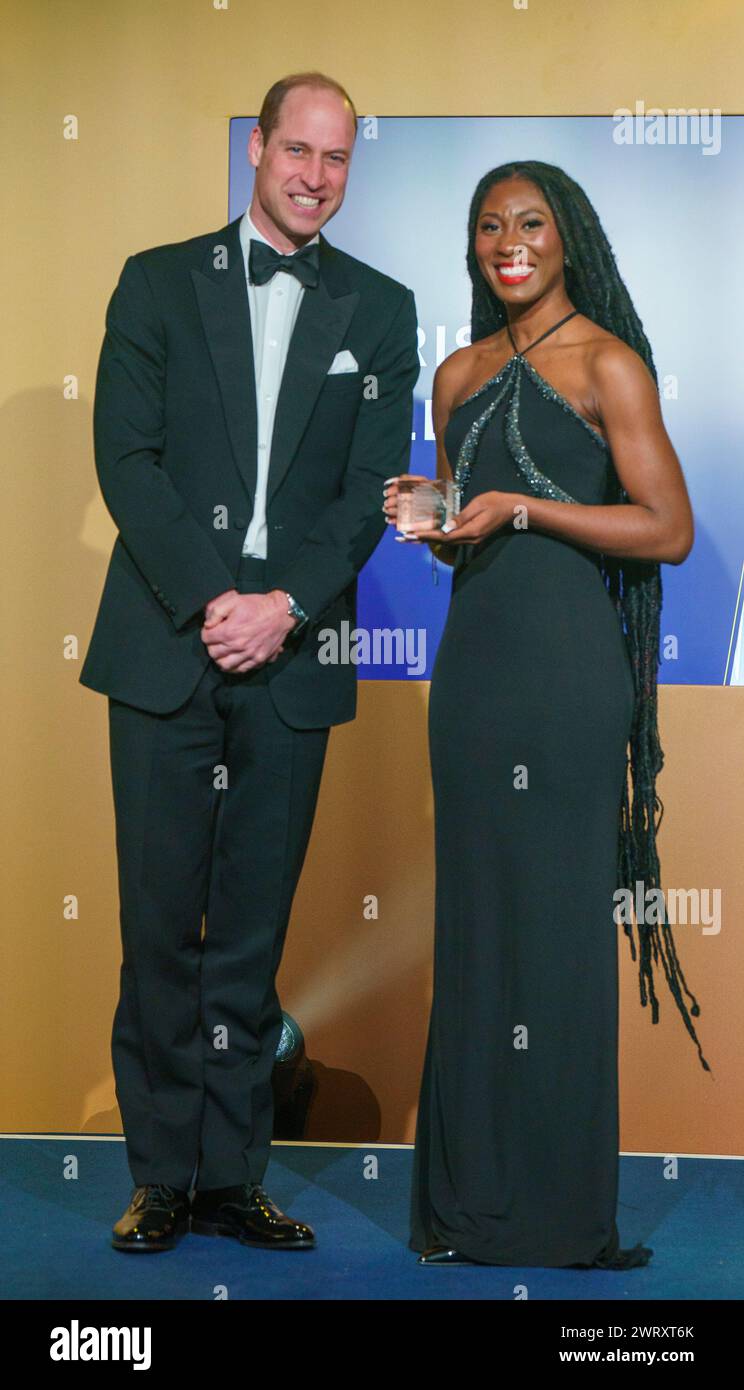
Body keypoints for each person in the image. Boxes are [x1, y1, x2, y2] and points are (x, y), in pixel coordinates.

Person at [80, 71, 419, 1252]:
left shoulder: (381, 310)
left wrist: (280, 606)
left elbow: (372, 495)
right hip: (169, 645)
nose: (316, 176)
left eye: (338, 160)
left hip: (294, 653)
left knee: (253, 935)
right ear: (258, 150)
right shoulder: (159, 281)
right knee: (162, 925)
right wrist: (217, 599)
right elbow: (126, 456)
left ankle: (231, 1175)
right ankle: (159, 1175)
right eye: (299, 151)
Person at [383, 160, 709, 1270]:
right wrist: (435, 522)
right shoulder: (455, 372)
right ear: (473, 245)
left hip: (571, 679)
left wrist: (527, 505)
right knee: (477, 929)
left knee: (561, 930)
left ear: (569, 238)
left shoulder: (609, 364)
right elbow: (463, 536)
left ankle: (565, 1218)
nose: (508, 242)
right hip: (474, 675)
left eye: (531, 223)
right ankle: (470, 1212)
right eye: (489, 226)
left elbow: (668, 528)